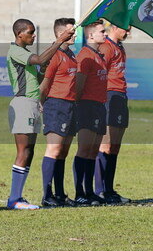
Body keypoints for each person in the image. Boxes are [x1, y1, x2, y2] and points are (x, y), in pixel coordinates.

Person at [6, 17, 69, 210]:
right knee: (23, 151)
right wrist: (58, 42)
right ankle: (14, 198)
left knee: (30, 151)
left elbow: (40, 71)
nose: (33, 36)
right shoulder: (15, 51)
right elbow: (40, 59)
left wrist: (46, 65)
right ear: (19, 34)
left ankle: (18, 197)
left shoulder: (25, 52)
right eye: (30, 32)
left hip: (32, 104)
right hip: (23, 103)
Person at [36, 18, 78, 208]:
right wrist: (41, 103)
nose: (74, 35)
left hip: (70, 105)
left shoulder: (72, 55)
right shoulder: (54, 55)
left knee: (63, 151)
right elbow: (45, 83)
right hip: (56, 105)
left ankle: (60, 194)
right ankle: (47, 195)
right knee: (53, 149)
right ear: (59, 34)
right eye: (70, 32)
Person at [72, 21, 109, 206]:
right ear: (91, 36)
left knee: (93, 151)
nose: (105, 33)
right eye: (102, 31)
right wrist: (78, 104)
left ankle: (89, 191)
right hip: (87, 105)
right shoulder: (85, 55)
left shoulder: (99, 55)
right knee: (84, 149)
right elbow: (79, 83)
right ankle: (79, 192)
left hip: (99, 105)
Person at [95, 22, 130, 203]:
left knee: (115, 146)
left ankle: (109, 189)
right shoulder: (107, 47)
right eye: (126, 27)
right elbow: (100, 73)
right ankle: (100, 190)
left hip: (121, 96)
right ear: (114, 27)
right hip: (109, 96)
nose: (129, 31)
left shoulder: (120, 47)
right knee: (106, 146)